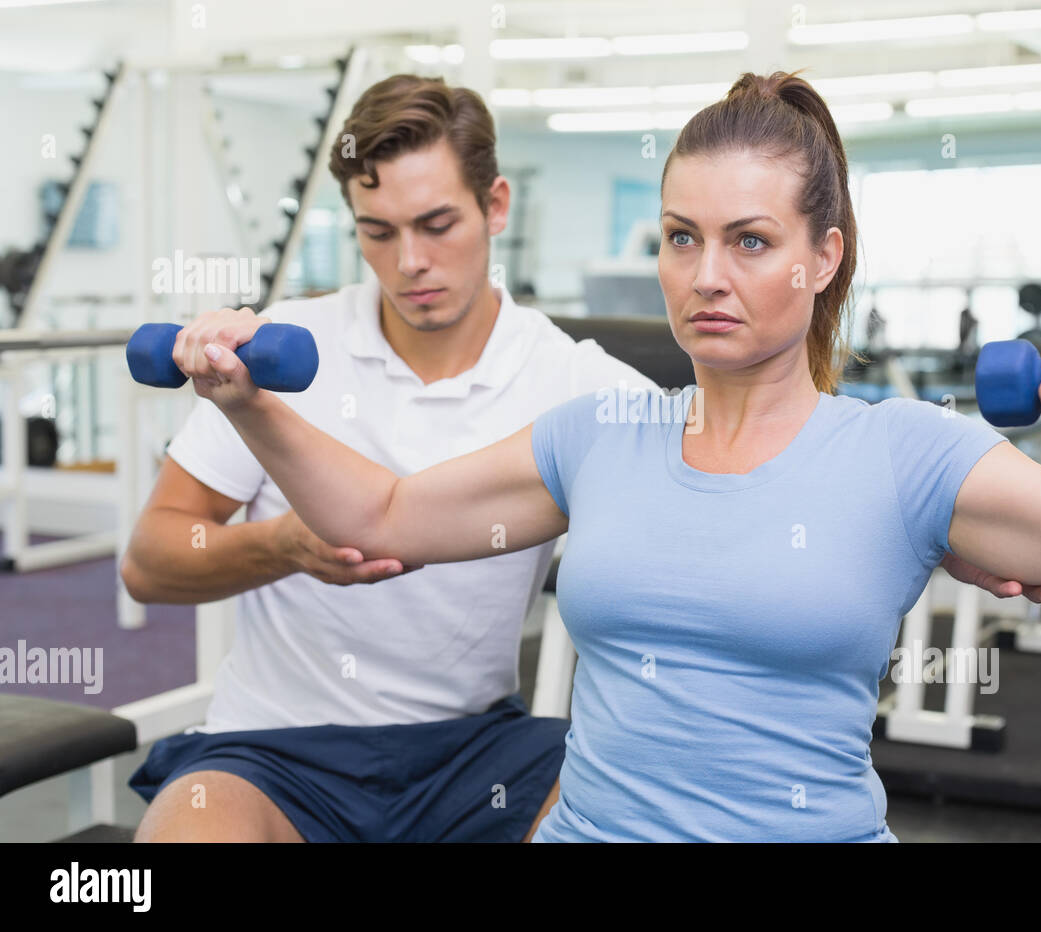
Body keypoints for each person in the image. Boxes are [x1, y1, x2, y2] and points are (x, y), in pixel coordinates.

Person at [163, 71, 1041, 843]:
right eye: (678, 236)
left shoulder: (907, 452)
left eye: (748, 240)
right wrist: (247, 402)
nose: (706, 275)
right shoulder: (602, 430)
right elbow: (379, 514)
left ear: (823, 253)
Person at [120, 75, 661, 842]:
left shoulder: (572, 378)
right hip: (274, 753)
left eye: (437, 223)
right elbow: (150, 562)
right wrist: (280, 546)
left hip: (474, 753)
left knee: (628, 794)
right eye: (378, 232)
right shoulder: (276, 350)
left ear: (495, 205)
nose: (410, 261)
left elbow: (711, 455)